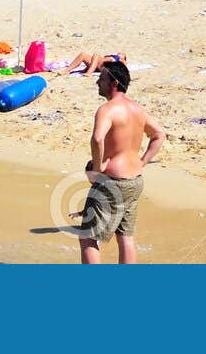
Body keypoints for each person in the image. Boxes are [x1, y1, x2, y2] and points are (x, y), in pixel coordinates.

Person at [77, 59, 163, 264]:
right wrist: (142, 162)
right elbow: (159, 134)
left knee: (88, 236)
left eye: (101, 78)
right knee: (125, 238)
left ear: (114, 82)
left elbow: (97, 139)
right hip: (135, 180)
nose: (97, 82)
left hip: (112, 182)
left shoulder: (107, 109)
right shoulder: (137, 109)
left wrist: (97, 171)